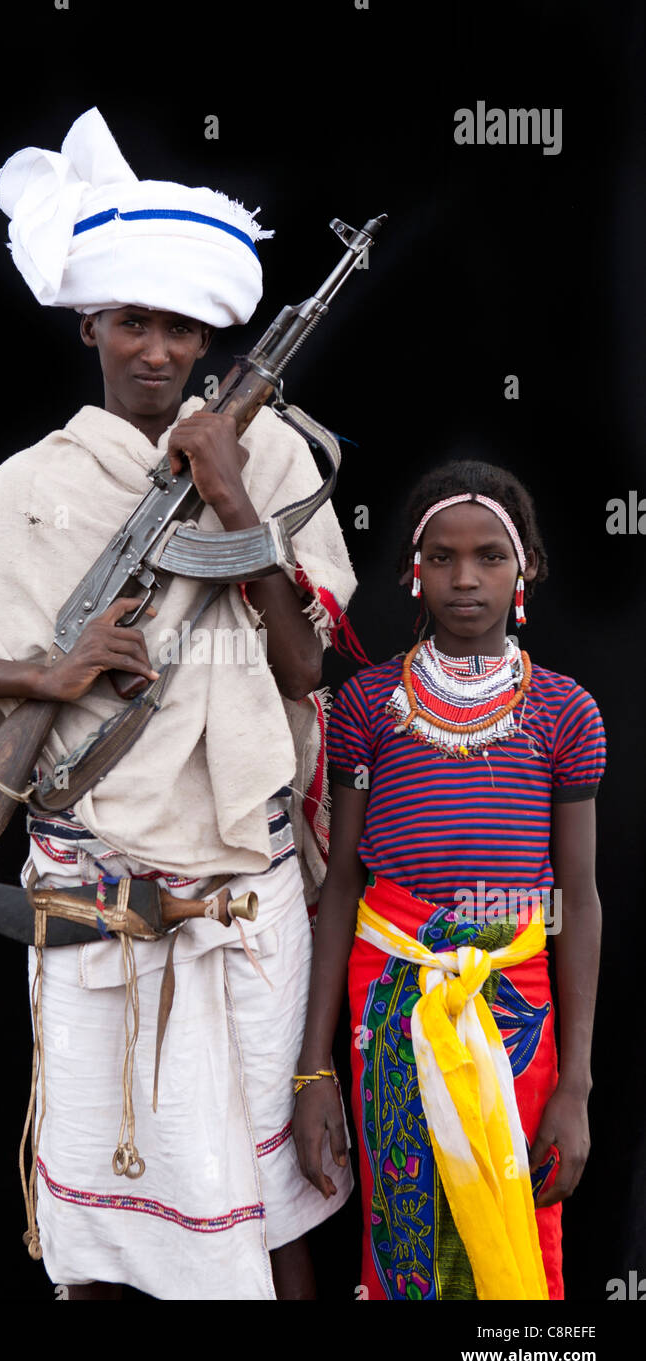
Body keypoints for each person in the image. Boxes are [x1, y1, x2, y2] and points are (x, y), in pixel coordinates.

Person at [0, 108, 358, 1300]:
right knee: (99, 1230)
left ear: (209, 335)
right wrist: (44, 675)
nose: (155, 349)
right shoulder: (38, 481)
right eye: (131, 320)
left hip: (246, 888)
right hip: (100, 893)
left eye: (179, 326)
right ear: (89, 321)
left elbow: (307, 670)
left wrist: (230, 495)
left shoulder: (278, 459)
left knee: (271, 1212)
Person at [292, 459, 606, 1299]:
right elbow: (342, 892)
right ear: (411, 571)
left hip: (515, 1003)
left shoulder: (566, 712)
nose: (465, 579)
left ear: (526, 568)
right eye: (441, 557)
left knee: (512, 1213)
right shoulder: (363, 705)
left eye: (490, 557)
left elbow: (578, 899)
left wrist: (574, 1085)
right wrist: (314, 1068)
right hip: (388, 996)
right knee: (407, 1227)